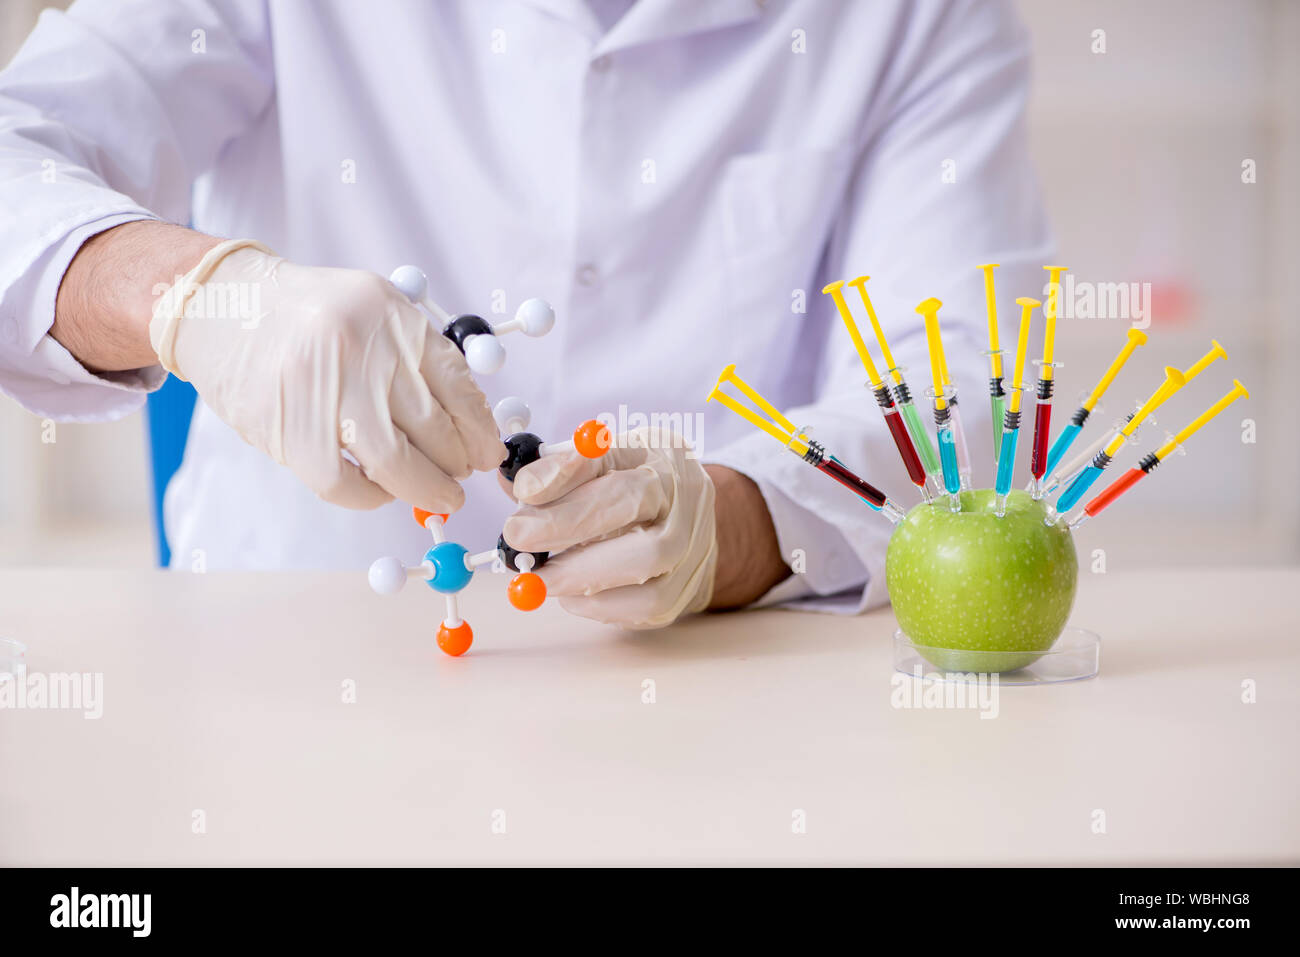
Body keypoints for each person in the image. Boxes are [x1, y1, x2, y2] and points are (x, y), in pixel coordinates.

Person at [0, 0, 1051, 628]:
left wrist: (735, 526)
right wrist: (197, 298)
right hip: (280, 667)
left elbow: (967, 389)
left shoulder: (918, 19)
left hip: (720, 692)